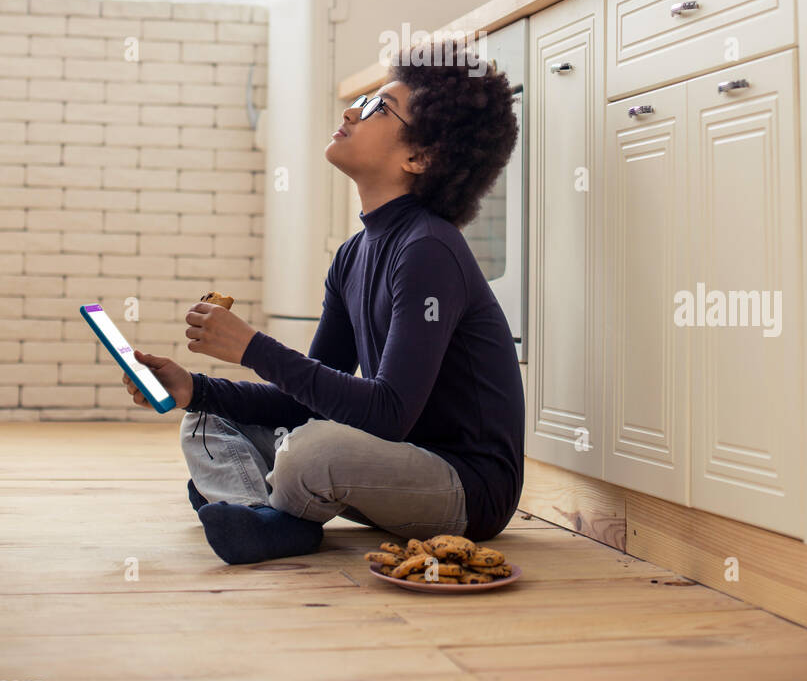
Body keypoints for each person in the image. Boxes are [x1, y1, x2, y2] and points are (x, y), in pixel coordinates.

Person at [123, 41, 525, 565]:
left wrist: (252, 348)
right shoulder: (353, 255)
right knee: (206, 420)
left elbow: (389, 415)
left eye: (378, 107)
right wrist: (192, 387)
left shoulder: (429, 249)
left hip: (466, 489)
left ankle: (257, 503)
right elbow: (307, 403)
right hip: (387, 459)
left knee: (313, 451)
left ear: (419, 157)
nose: (350, 111)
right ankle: (265, 510)